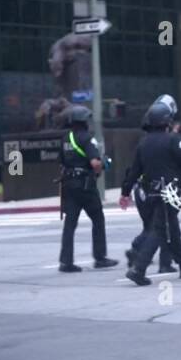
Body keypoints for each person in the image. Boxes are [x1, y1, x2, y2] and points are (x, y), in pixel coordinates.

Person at [121, 102, 181, 286]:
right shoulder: (173, 139)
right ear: (167, 122)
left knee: (171, 229)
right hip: (170, 192)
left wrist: (125, 192)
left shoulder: (143, 144)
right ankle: (138, 269)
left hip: (151, 192)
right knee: (160, 230)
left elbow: (134, 171)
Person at [58, 105, 117, 272]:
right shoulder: (87, 138)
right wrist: (104, 165)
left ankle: (65, 262)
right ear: (84, 121)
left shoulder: (65, 138)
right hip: (85, 186)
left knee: (70, 224)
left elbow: (61, 162)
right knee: (98, 219)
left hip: (69, 185)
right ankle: (100, 258)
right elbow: (95, 163)